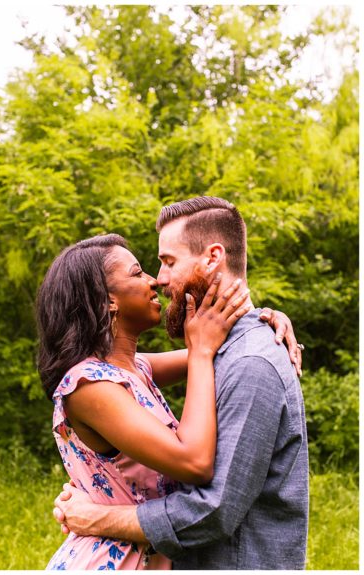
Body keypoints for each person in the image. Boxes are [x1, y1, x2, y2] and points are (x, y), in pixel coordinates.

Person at [53, 197, 308, 569]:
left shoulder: (248, 361)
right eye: (146, 269)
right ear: (108, 301)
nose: (159, 278)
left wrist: (264, 316)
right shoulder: (106, 379)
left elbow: (214, 509)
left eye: (168, 261)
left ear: (212, 257)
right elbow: (202, 355)